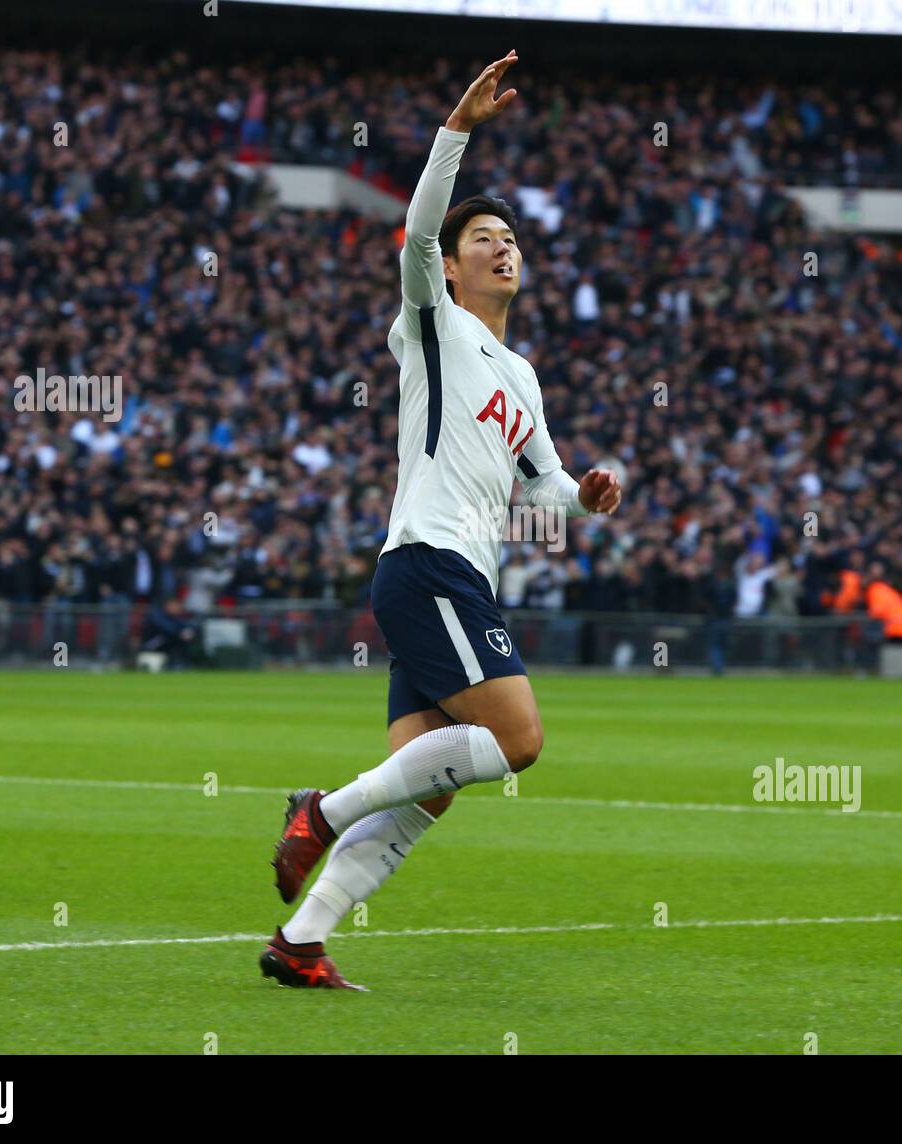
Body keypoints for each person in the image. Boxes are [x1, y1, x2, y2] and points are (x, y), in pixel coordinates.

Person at [259, 50, 623, 990]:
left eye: (509, 238)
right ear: (452, 268)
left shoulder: (522, 376)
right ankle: (320, 811)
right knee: (518, 742)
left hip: (450, 574)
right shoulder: (432, 322)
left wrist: (582, 498)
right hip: (431, 561)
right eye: (483, 239)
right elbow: (419, 230)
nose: (503, 248)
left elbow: (542, 485)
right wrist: (456, 131)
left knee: (431, 790)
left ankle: (300, 944)